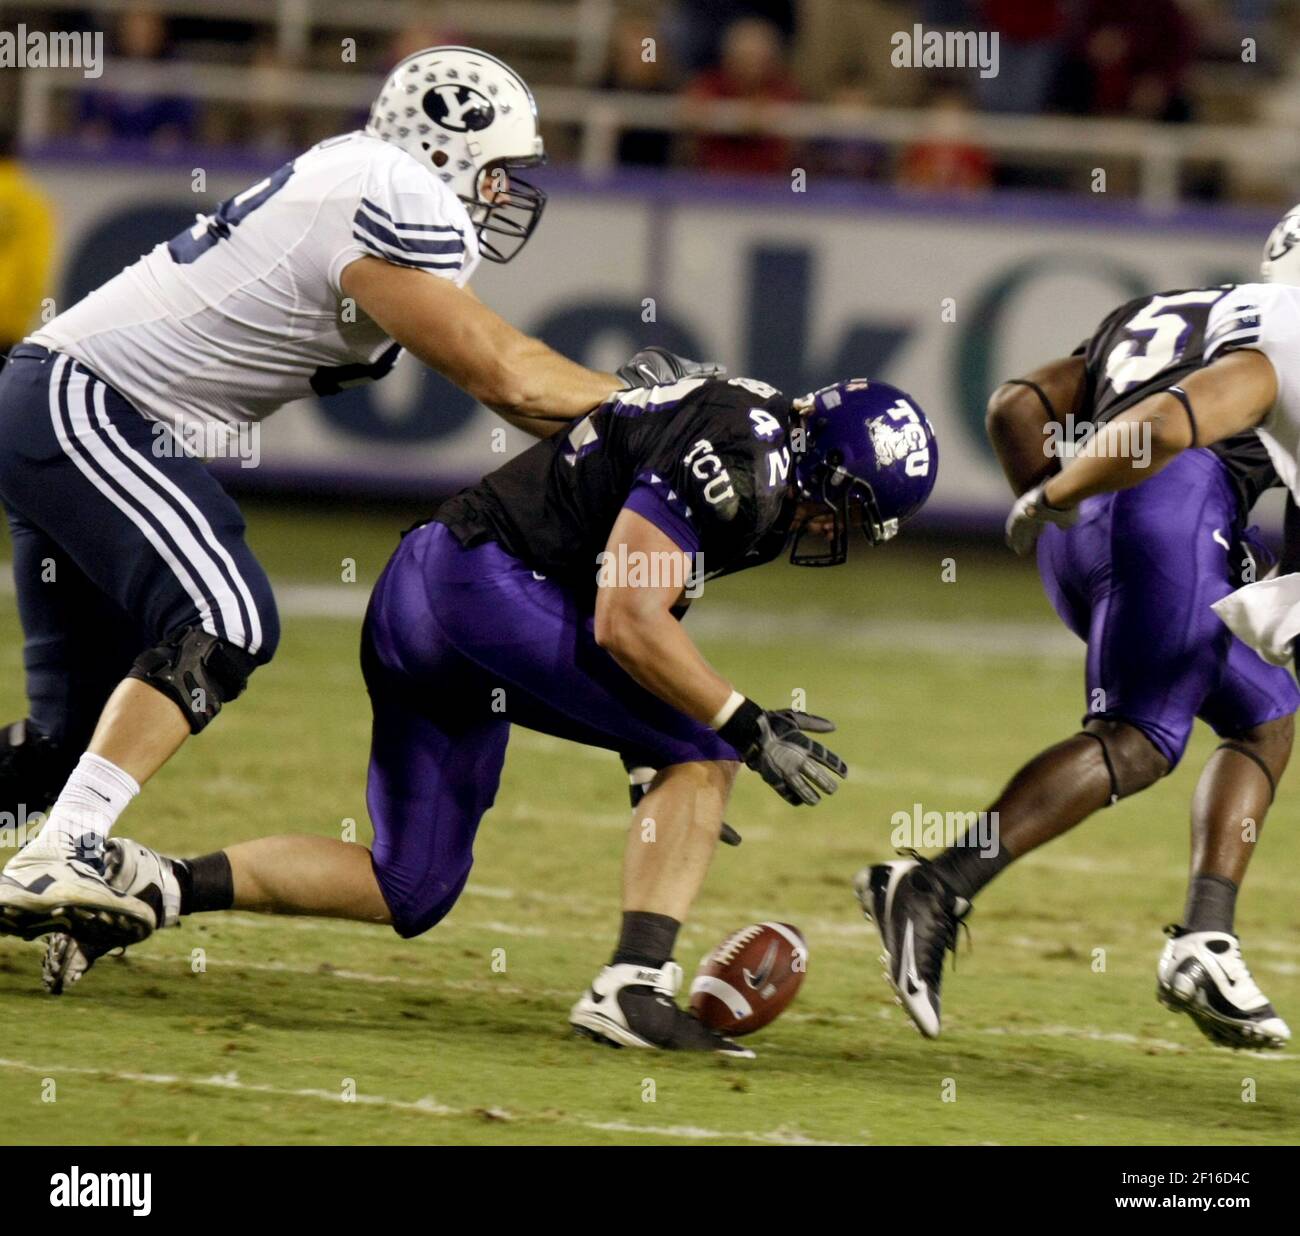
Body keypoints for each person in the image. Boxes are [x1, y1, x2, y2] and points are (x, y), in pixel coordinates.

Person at [0, 46, 717, 950]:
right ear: (451, 146)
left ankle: (56, 835)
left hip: (64, 407)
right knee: (229, 616)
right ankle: (64, 849)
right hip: (85, 402)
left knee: (66, 746)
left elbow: (529, 397)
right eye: (498, 170)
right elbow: (505, 378)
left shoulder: (363, 175)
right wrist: (652, 406)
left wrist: (633, 422)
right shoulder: (391, 185)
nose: (503, 195)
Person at [43, 376, 939, 1057]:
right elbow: (627, 617)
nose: (835, 531)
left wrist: (645, 744)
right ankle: (633, 984)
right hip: (479, 588)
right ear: (825, 461)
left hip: (431, 602)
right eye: (847, 508)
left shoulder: (755, 446)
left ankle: (145, 882)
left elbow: (648, 593)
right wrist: (740, 726)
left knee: (412, 886)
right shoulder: (745, 458)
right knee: (711, 741)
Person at [861, 277, 1300, 1049]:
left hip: (1087, 527)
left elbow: (1015, 407)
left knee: (1266, 712)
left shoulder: (1169, 308)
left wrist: (1059, 505)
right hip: (1168, 508)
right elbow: (1168, 426)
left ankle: (1206, 943)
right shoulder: (1283, 330)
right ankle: (934, 886)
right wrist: (1076, 496)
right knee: (1137, 738)